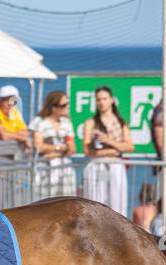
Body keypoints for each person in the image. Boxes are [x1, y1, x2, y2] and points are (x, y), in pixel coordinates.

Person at [80, 85, 132, 213]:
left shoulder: (121, 122)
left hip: (115, 166)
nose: (101, 102)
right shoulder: (91, 122)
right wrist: (115, 150)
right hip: (97, 165)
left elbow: (129, 146)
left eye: (104, 99)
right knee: (96, 201)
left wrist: (110, 141)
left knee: (117, 203)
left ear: (111, 100)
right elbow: (87, 150)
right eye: (98, 99)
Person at [28, 91, 75, 199]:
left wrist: (54, 152)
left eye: (68, 104)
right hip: (46, 170)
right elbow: (39, 147)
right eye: (64, 105)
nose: (67, 107)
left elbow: (72, 148)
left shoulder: (67, 123)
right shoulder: (40, 122)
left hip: (65, 168)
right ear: (54, 107)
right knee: (46, 200)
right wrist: (61, 148)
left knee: (66, 199)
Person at [0, 85, 33, 151]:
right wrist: (21, 137)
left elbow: (26, 133)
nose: (10, 103)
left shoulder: (14, 113)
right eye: (6, 100)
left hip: (8, 155)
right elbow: (3, 136)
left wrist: (11, 134)